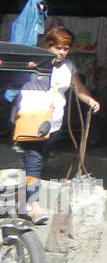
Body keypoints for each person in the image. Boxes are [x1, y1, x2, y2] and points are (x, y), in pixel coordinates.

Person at [11, 27, 99, 223]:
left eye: (65, 48)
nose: (62, 52)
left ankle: (19, 196)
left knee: (36, 161)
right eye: (57, 47)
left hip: (54, 125)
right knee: (33, 162)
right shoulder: (34, 62)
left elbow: (79, 88)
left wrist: (90, 100)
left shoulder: (68, 67)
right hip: (30, 121)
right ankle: (34, 208)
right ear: (47, 46)